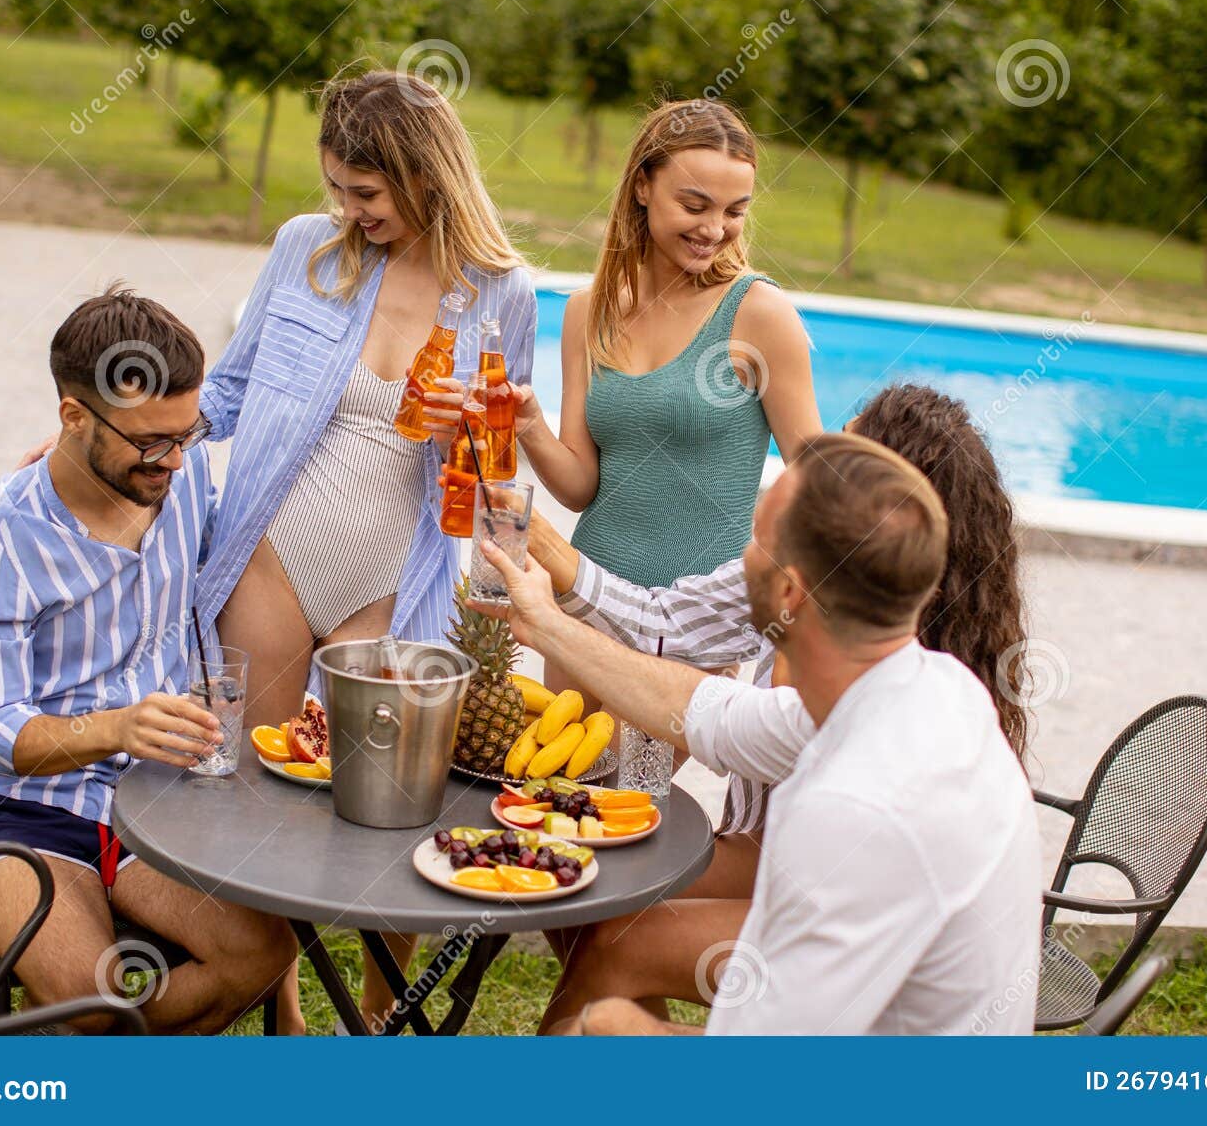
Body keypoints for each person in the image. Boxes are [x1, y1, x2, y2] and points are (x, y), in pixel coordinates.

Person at [475, 432, 1042, 1035]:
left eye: (756, 543)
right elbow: (703, 709)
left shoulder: (850, 804)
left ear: (791, 592)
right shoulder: (927, 688)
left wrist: (619, 1028)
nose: (740, 560)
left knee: (598, 1021)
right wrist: (541, 624)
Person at [191, 70, 535, 1030]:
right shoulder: (307, 250)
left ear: (427, 175)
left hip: (394, 575)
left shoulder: (502, 291)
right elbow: (228, 391)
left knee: (392, 811)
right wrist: (118, 442)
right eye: (338, 187)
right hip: (270, 549)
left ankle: (384, 1019)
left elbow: (503, 476)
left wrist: (473, 443)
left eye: (367, 194)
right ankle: (285, 1000)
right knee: (258, 787)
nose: (348, 210)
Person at [0, 286, 301, 1034]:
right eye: (148, 442)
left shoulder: (182, 476)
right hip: (20, 812)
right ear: (73, 417)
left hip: (155, 804)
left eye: (185, 434)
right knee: (92, 1005)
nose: (172, 460)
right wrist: (119, 727)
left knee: (261, 952)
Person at [508, 98, 820, 698]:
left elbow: (820, 483)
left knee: (635, 792)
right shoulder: (587, 312)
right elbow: (581, 485)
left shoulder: (758, 314)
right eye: (695, 205)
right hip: (583, 594)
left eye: (734, 211)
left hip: (690, 629)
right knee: (559, 788)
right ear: (644, 186)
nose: (714, 229)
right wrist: (530, 424)